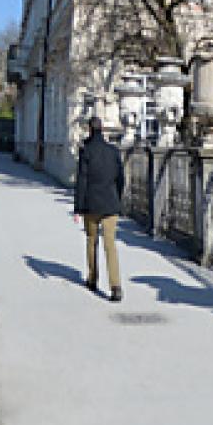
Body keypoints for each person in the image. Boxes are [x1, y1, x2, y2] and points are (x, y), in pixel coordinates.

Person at [72, 117, 127, 301]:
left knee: (91, 241)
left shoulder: (86, 151)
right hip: (110, 203)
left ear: (89, 129)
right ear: (102, 129)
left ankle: (92, 278)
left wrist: (78, 208)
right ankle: (116, 285)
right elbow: (121, 178)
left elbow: (82, 181)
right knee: (110, 245)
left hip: (92, 204)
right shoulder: (112, 151)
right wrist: (117, 197)